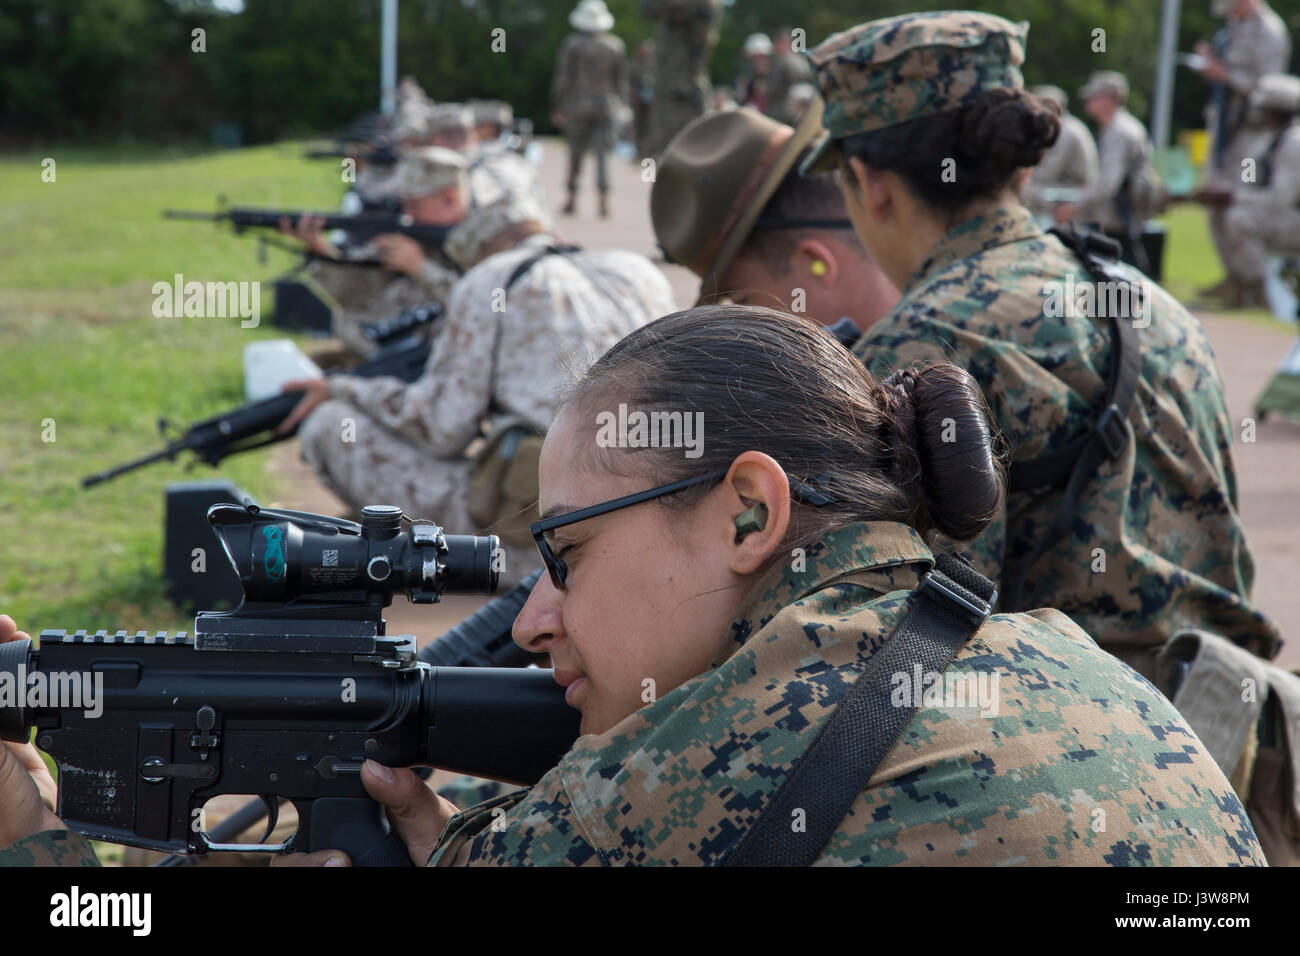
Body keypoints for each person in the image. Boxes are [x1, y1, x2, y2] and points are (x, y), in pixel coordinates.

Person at [1, 309, 1266, 867]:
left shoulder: (689, 759)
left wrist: (38, 844)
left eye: (568, 553)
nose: (533, 618)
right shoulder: (1073, 665)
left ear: (748, 512)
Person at [800, 11, 1280, 681]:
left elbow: (890, 656)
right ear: (1020, 171)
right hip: (1224, 750)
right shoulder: (1150, 302)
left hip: (1072, 761)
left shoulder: (920, 350)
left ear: (869, 184)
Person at [279, 190, 675, 586]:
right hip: (654, 515)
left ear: (475, 250)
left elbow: (441, 428)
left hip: (550, 539)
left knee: (329, 426)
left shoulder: (490, 279)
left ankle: (500, 563)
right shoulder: (638, 271)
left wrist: (343, 389)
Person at [651, 103, 898, 337]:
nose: (746, 332)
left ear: (814, 264)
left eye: (743, 302)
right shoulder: (922, 347)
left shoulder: (875, 369)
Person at [281, 146, 469, 360]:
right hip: (391, 354)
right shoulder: (412, 235)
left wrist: (422, 268)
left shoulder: (488, 241)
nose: (407, 214)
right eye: (403, 204)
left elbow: (489, 310)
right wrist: (319, 248)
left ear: (450, 198)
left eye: (415, 205)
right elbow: (352, 295)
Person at [1193, 0, 1291, 305]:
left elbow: (1269, 87)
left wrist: (1225, 75)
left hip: (1254, 135)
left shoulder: (1270, 31)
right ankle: (1234, 277)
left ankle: (1253, 286)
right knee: (1214, 199)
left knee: (1237, 200)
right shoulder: (1235, 25)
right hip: (1227, 130)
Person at [1197, 74, 1300, 306]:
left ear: (1275, 110)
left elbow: (1280, 199)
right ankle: (1238, 282)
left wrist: (1233, 197)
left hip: (1292, 217)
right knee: (1220, 212)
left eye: (1263, 108)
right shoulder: (1264, 142)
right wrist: (1220, 193)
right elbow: (1247, 181)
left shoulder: (1294, 144)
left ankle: (1259, 291)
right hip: (1278, 212)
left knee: (1239, 218)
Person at [1058, 71, 1164, 274]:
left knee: (1127, 267)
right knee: (1124, 266)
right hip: (1121, 212)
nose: (1088, 100)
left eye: (1094, 96)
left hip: (1121, 212)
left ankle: (1143, 301)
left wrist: (1075, 207)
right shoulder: (1117, 127)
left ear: (1110, 98)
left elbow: (1108, 183)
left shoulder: (1120, 131)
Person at [551, 0, 628, 218]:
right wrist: (622, 106)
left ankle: (572, 198)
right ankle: (603, 199)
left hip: (577, 106)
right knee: (604, 155)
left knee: (575, 154)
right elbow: (621, 81)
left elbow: (563, 79)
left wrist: (558, 106)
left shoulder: (572, 44)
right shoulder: (615, 46)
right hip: (607, 106)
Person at [641, 0, 722, 158]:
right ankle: (654, 180)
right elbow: (648, 8)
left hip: (682, 92)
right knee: (659, 151)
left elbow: (654, 7)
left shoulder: (697, 7)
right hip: (671, 88)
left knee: (683, 151)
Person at [1020, 85, 1099, 223]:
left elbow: (1046, 172)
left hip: (1071, 195)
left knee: (1023, 187)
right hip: (1068, 190)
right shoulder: (1070, 125)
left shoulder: (1064, 130)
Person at [766, 28, 814, 126]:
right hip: (805, 109)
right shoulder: (801, 60)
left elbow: (773, 89)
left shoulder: (780, 61)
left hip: (784, 110)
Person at [629, 39, 655, 158]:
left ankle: (648, 153)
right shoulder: (635, 66)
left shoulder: (655, 67)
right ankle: (639, 152)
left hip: (652, 103)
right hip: (638, 101)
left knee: (650, 127)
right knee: (638, 127)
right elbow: (629, 83)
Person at [735, 33, 772, 114]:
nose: (758, 61)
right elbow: (741, 101)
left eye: (762, 57)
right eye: (755, 57)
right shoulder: (747, 78)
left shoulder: (775, 76)